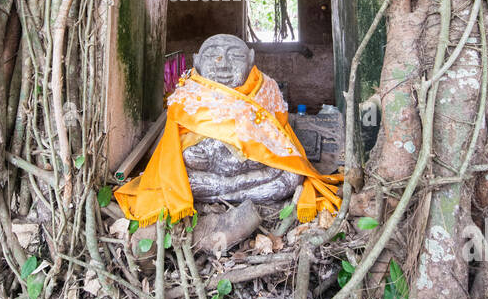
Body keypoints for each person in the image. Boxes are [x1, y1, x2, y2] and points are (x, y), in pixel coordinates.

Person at [114, 34, 341, 225]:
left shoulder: (265, 89)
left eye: (235, 56)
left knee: (292, 176)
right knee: (177, 174)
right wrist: (198, 155)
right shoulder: (187, 92)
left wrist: (252, 153)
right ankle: (238, 194)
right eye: (213, 56)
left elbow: (279, 138)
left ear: (251, 59)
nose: (223, 64)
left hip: (249, 169)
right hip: (215, 175)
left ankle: (223, 191)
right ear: (198, 61)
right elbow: (170, 148)